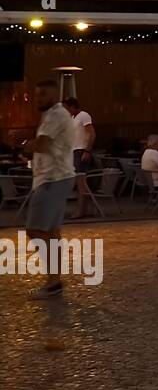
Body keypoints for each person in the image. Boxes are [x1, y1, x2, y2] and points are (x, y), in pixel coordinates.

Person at [26, 80, 77, 298]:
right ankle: (54, 282)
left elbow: (43, 145)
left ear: (54, 95)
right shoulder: (54, 115)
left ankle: (53, 280)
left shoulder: (56, 115)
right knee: (51, 232)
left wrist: (23, 145)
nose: (38, 99)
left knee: (35, 230)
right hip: (57, 177)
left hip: (52, 179)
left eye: (43, 95)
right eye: (37, 95)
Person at [63, 97, 95, 220]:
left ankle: (81, 210)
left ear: (72, 106)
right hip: (74, 150)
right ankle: (85, 208)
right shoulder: (72, 119)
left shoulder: (84, 116)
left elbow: (91, 133)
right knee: (79, 182)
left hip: (81, 150)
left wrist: (87, 150)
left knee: (80, 181)